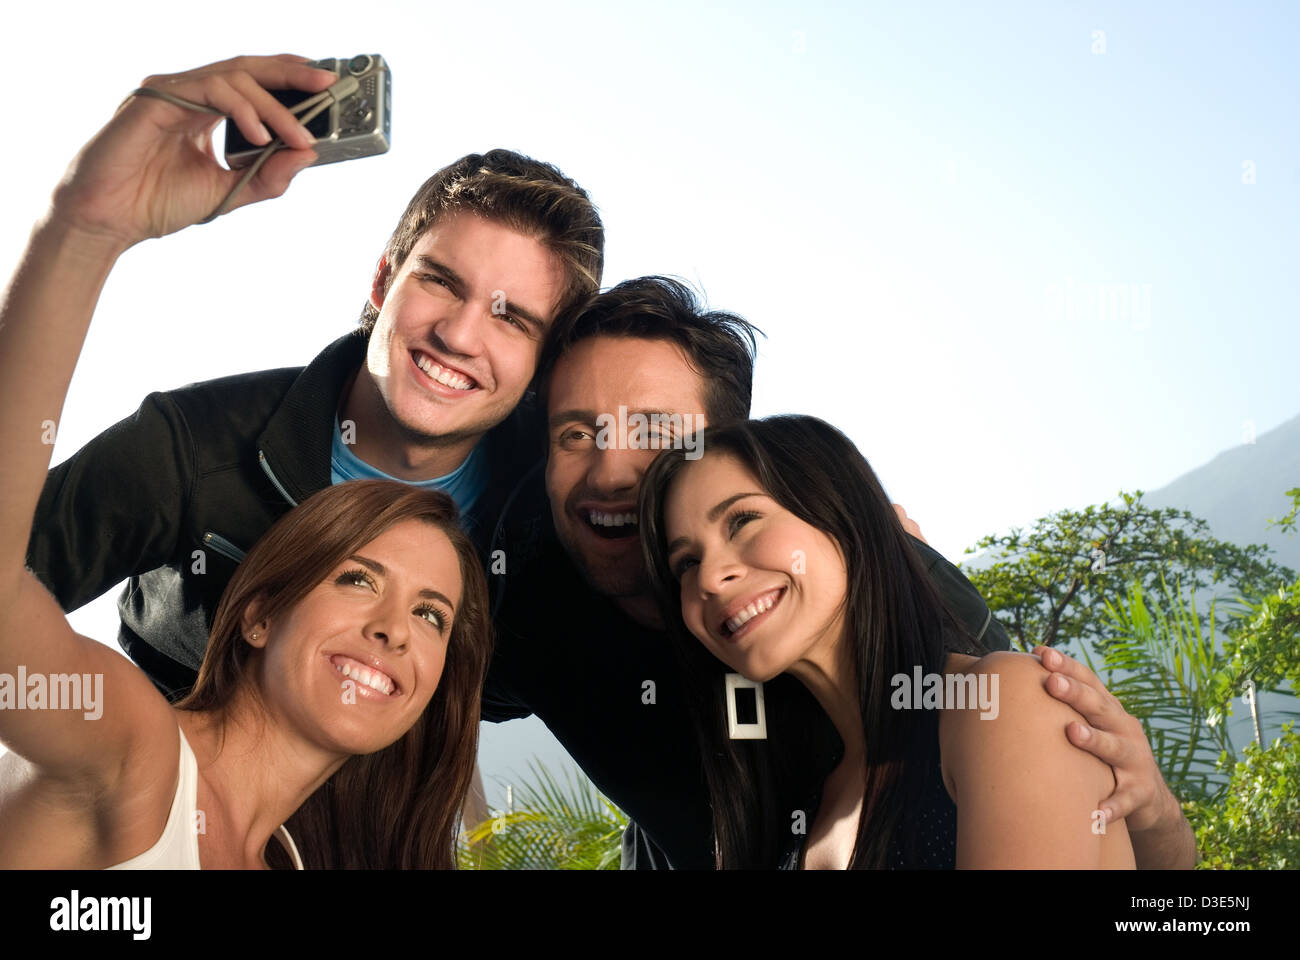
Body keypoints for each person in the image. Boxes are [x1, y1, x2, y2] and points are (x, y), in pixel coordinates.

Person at [485, 276, 1197, 869]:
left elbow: (1105, 837)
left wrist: (1153, 810)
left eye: (656, 432)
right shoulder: (529, 598)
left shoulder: (980, 687)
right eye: (575, 434)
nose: (611, 469)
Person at [0, 78, 492, 864]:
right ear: (259, 611)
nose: (394, 630)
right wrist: (84, 229)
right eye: (359, 579)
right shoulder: (135, 751)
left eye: (432, 615)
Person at [24, 54, 603, 706]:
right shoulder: (193, 446)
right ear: (384, 280)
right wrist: (83, 226)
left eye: (512, 320)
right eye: (441, 282)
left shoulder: (549, 516)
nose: (460, 336)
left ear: (544, 361)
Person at [637, 414, 1140, 867]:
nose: (708, 578)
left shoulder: (1001, 702)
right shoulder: (785, 800)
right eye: (687, 563)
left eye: (743, 520)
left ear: (846, 516)